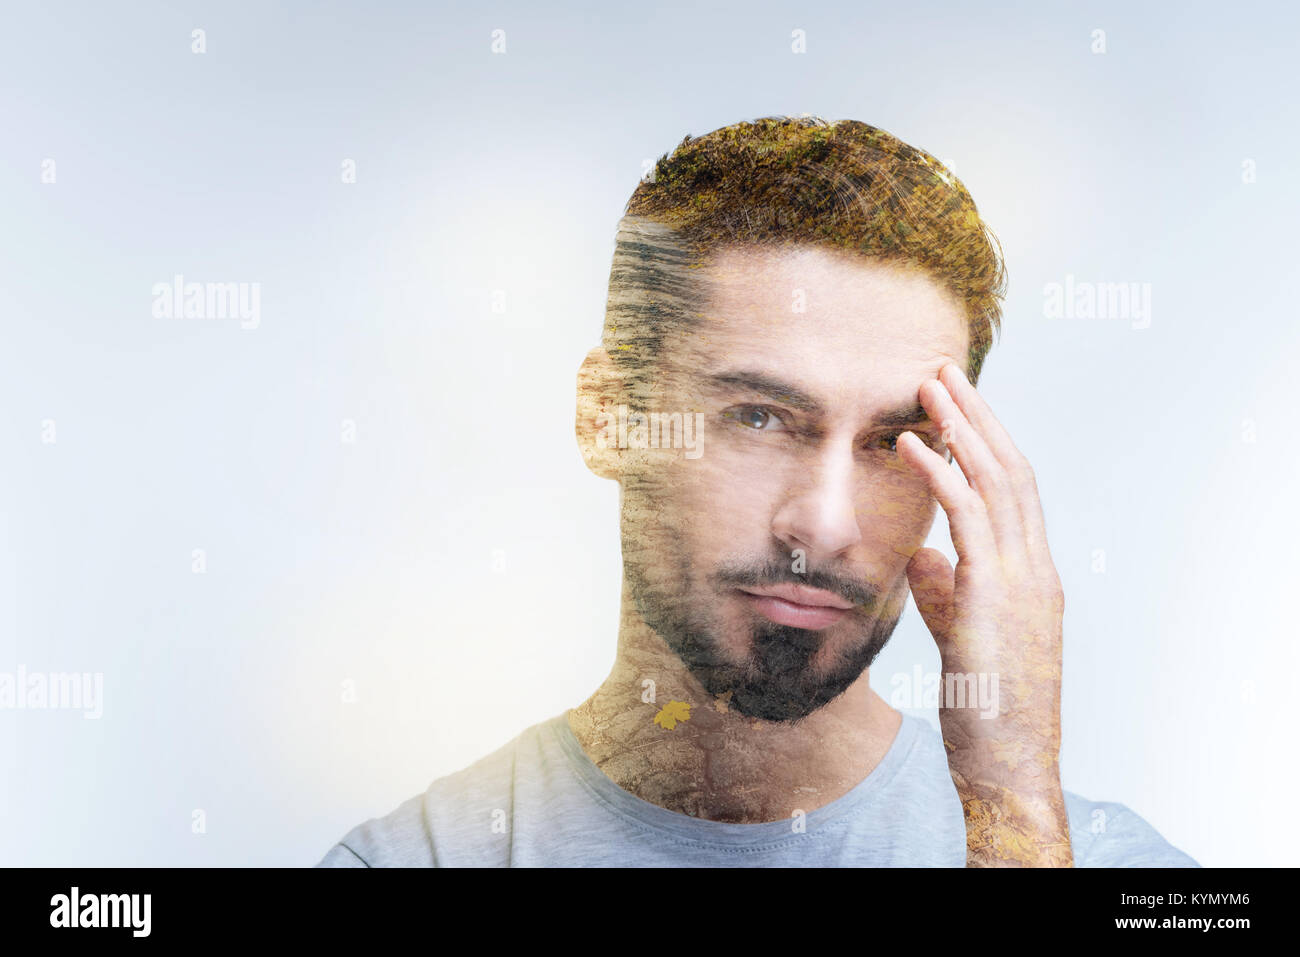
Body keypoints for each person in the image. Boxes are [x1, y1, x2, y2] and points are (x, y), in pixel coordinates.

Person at [316, 116, 1198, 867]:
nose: (825, 521)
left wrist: (1011, 807)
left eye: (894, 440)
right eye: (762, 418)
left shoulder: (1092, 859)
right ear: (607, 415)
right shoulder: (418, 860)